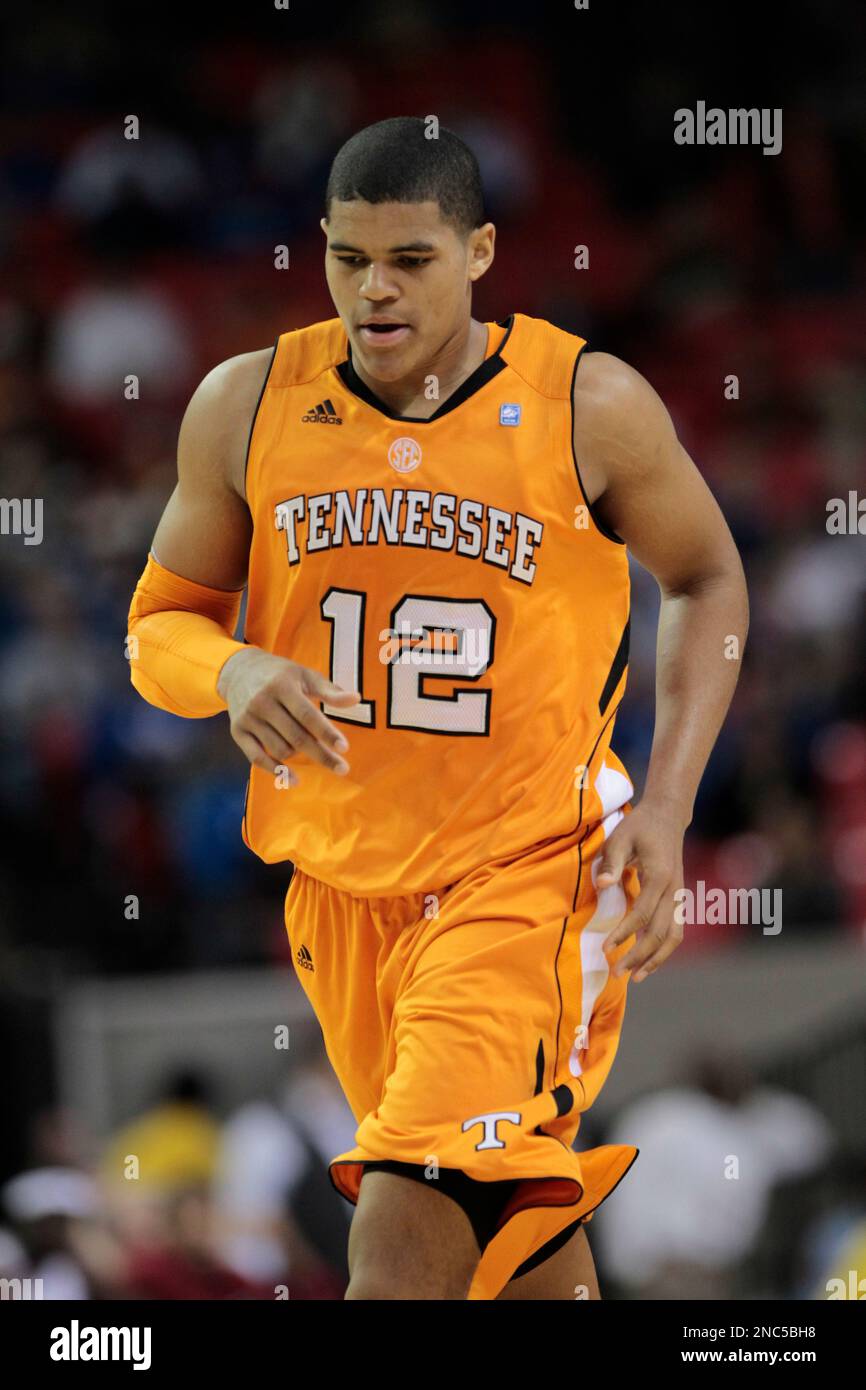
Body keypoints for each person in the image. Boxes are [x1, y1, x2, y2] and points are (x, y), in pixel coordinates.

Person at [126, 116, 748, 1300]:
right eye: (347, 257)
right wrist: (234, 671)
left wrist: (665, 804)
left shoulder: (586, 403)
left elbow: (707, 575)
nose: (373, 289)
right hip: (340, 897)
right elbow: (158, 630)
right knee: (499, 1224)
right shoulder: (246, 404)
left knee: (404, 1219)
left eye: (409, 259)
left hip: (526, 874)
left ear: (478, 252)